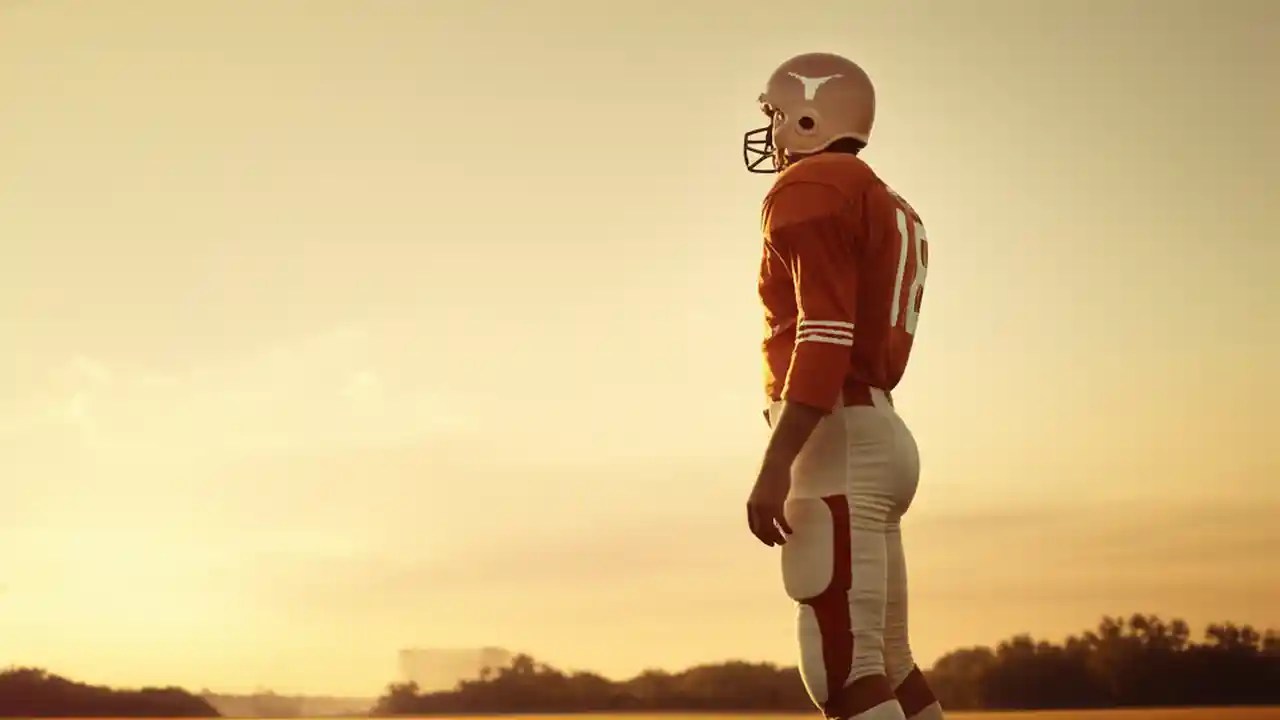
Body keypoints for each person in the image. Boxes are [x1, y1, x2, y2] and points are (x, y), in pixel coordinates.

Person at [742, 52, 943, 720]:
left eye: (776, 116)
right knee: (890, 664)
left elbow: (823, 337)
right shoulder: (888, 202)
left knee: (845, 677)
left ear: (807, 115)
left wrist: (775, 465)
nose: (770, 132)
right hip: (879, 434)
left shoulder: (812, 189)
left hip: (836, 442)